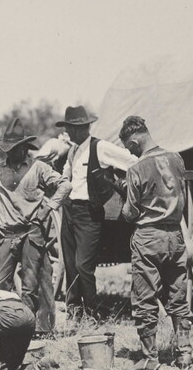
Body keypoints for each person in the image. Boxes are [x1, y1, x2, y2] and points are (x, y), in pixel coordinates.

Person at [0, 118, 72, 337]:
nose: (9, 153)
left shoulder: (38, 168)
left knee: (31, 284)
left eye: (14, 149)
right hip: (7, 233)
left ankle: (28, 331)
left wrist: (48, 207)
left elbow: (65, 185)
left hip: (32, 231)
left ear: (24, 148)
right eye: (6, 149)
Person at [119, 115, 193, 370]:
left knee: (144, 296)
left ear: (135, 139)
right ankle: (184, 354)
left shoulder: (136, 170)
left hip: (148, 238)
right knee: (178, 294)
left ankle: (150, 359)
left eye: (129, 146)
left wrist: (125, 199)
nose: (129, 151)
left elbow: (130, 213)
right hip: (175, 236)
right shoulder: (177, 159)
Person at [55, 105, 136, 320]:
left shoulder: (100, 148)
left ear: (84, 128)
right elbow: (66, 177)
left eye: (74, 127)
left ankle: (93, 314)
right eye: (69, 127)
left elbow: (132, 162)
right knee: (71, 265)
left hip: (89, 213)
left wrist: (126, 185)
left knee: (84, 265)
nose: (71, 132)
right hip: (69, 211)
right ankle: (74, 313)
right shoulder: (72, 151)